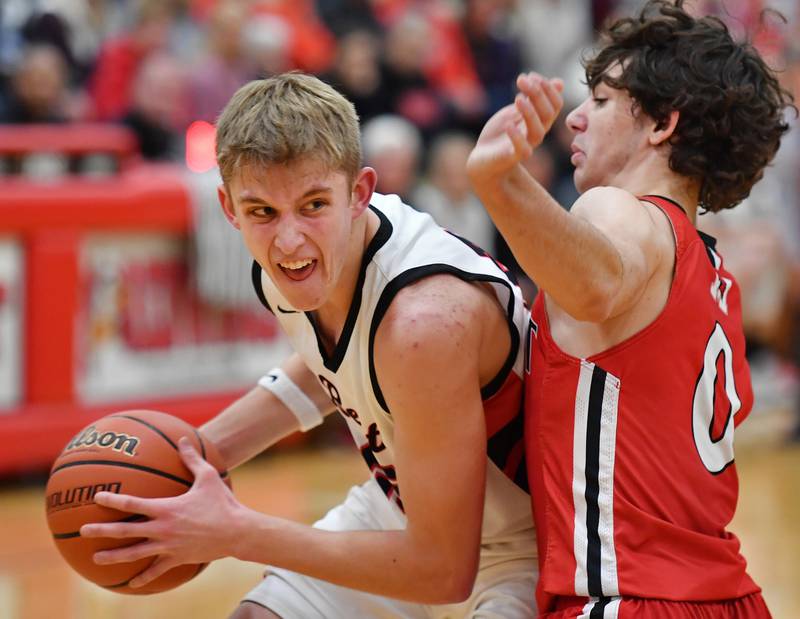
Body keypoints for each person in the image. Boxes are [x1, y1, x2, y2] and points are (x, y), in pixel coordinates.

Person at [80, 72, 538, 618]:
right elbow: (337, 361)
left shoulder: (423, 323)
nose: (289, 239)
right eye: (262, 212)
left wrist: (236, 533)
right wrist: (196, 455)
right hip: (409, 511)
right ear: (229, 208)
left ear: (360, 192)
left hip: (527, 546)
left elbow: (443, 569)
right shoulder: (299, 266)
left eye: (313, 204)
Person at [465, 1, 793, 617]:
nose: (576, 119)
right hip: (730, 597)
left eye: (603, 101)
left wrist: (499, 183)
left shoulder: (619, 211)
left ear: (662, 125)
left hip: (630, 595)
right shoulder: (715, 272)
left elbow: (595, 283)